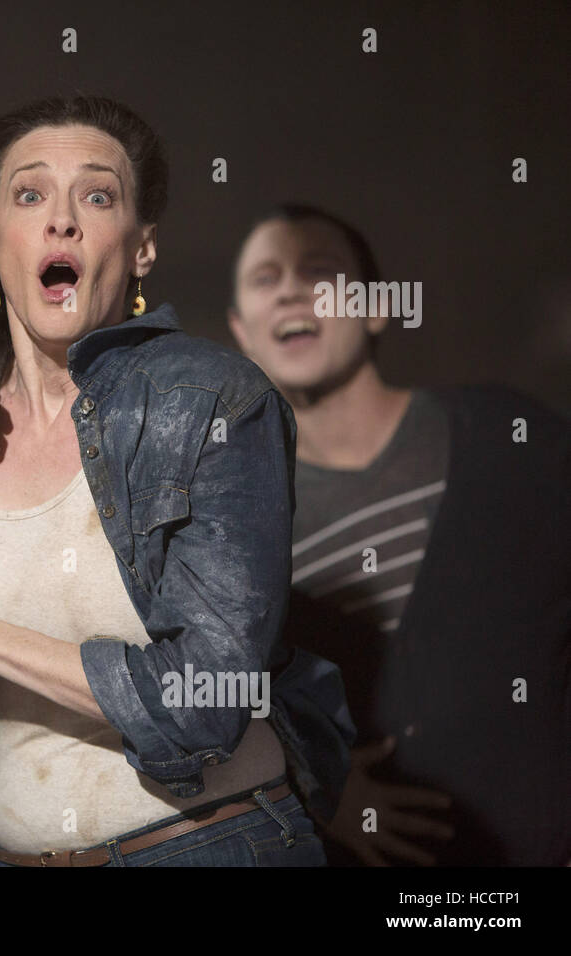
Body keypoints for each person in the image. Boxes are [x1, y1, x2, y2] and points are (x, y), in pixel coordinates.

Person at [0, 96, 354, 867]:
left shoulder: (212, 401)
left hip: (205, 846)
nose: (62, 220)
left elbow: (207, 702)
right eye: (30, 194)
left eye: (97, 196)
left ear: (141, 248)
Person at [227, 204, 571, 866]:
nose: (292, 290)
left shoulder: (510, 439)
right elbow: (222, 704)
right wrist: (316, 783)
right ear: (244, 331)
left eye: (318, 272)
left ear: (378, 307)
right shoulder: (238, 518)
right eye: (266, 279)